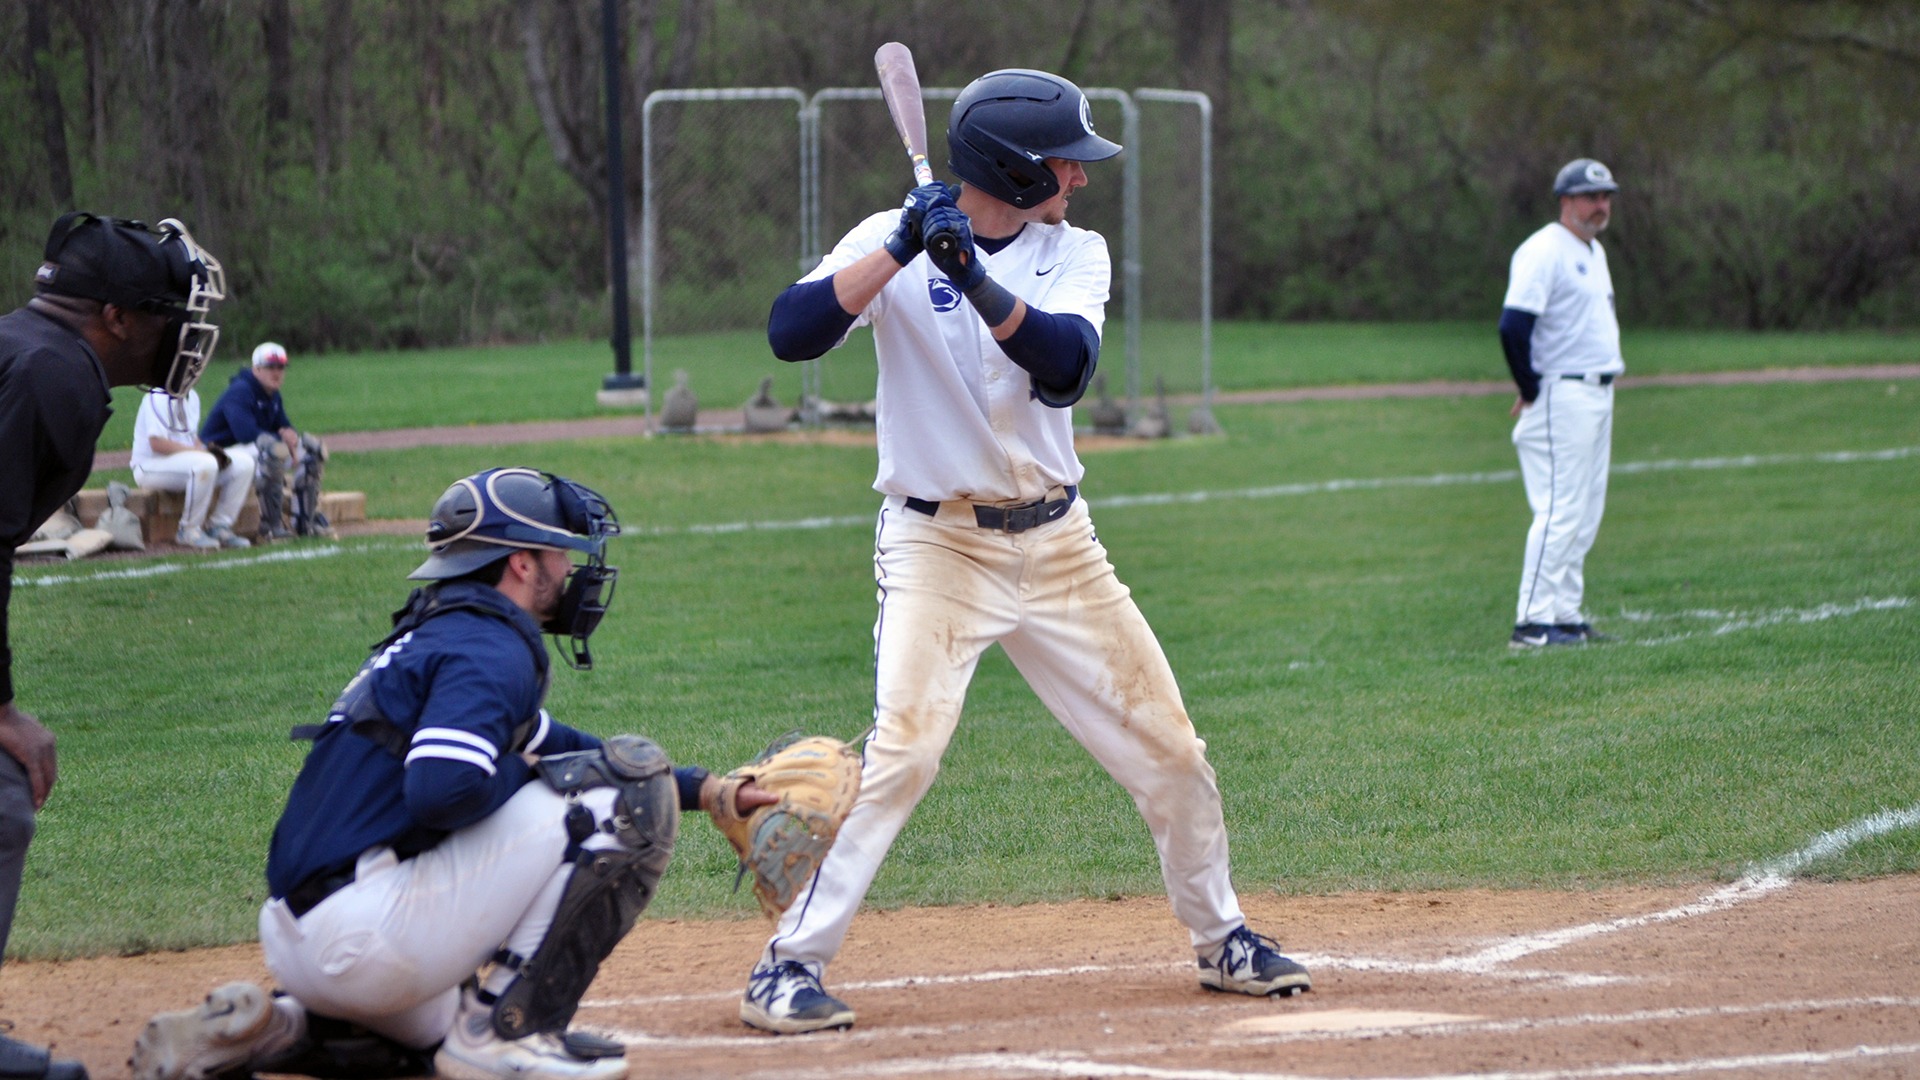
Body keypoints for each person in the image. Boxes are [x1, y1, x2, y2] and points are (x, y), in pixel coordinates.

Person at [749, 68, 1310, 1034]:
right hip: (937, 549)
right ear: (1011, 169)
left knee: (1170, 746)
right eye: (1065, 161)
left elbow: (1064, 368)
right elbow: (789, 334)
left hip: (1060, 548)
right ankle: (786, 966)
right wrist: (899, 246)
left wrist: (969, 272)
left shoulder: (1073, 253)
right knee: (905, 753)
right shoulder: (891, 238)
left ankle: (1222, 940)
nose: (1080, 177)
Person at [131, 468, 777, 1080]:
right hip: (367, 933)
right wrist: (539, 776)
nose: (572, 569)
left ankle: (280, 1027)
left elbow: (562, 747)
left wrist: (709, 790)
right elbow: (443, 790)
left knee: (438, 1032)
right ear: (522, 562)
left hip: (305, 939)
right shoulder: (487, 648)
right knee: (624, 800)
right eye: (559, 553)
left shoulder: (445, 632)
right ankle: (506, 1033)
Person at [0, 210, 225, 1080]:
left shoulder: (31, 348)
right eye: (166, 310)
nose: (181, 329)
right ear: (118, 319)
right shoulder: (58, 375)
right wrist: (4, 712)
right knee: (4, 800)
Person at [1498, 158, 1624, 648]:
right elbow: (1513, 326)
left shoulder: (1593, 251)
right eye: (1592, 196)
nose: (1601, 205)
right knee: (1559, 509)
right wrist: (1531, 388)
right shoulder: (1544, 250)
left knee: (1586, 509)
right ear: (1565, 200)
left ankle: (1565, 614)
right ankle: (1531, 624)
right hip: (1561, 394)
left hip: (1595, 392)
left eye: (1606, 196)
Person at [200, 342, 327, 540]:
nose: (277, 372)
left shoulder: (272, 395)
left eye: (281, 367)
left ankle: (305, 520)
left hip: (250, 451)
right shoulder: (241, 391)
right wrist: (282, 439)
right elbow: (245, 433)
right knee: (271, 451)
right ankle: (271, 527)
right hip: (220, 453)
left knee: (311, 452)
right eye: (270, 367)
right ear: (256, 369)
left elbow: (284, 426)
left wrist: (292, 437)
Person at [129, 385, 254, 549]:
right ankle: (188, 531)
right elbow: (157, 443)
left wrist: (206, 450)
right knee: (205, 464)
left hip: (181, 465)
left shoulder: (190, 397)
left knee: (244, 463)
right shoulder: (158, 394)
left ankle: (218, 526)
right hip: (149, 467)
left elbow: (190, 439)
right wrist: (200, 454)